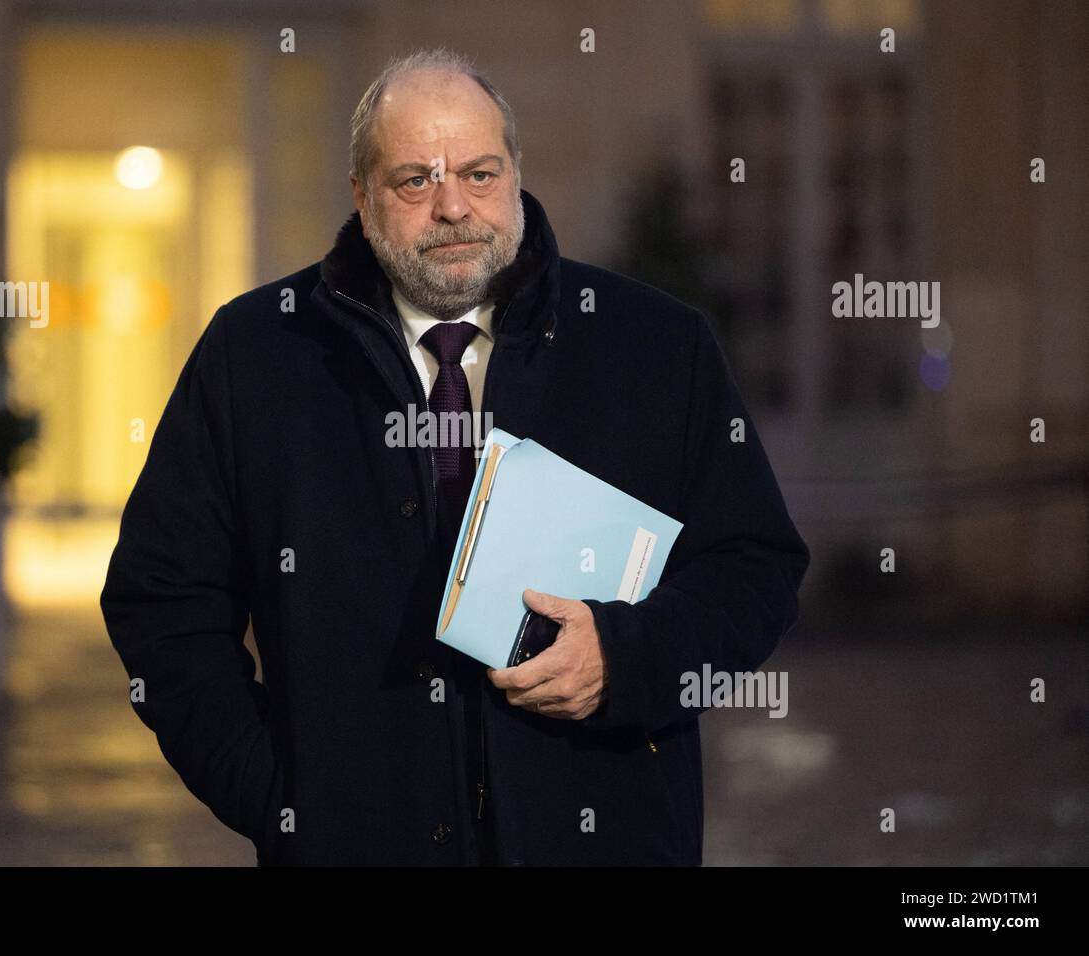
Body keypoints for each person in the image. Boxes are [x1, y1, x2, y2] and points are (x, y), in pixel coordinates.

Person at [100, 47, 809, 866]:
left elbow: (755, 566)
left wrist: (628, 659)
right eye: (415, 181)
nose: (452, 208)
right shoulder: (255, 354)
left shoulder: (655, 345)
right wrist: (279, 796)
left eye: (479, 174)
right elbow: (161, 601)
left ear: (515, 175)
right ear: (363, 199)